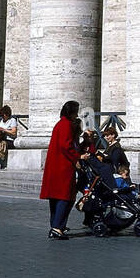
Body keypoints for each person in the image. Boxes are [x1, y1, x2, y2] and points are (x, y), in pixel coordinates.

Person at [41, 100, 82, 238]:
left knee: (56, 197)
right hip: (62, 166)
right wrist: (78, 157)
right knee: (65, 197)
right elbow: (66, 146)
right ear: (71, 112)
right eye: (76, 112)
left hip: (56, 165)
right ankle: (57, 227)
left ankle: (56, 225)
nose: (77, 115)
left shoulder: (60, 124)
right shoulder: (66, 125)